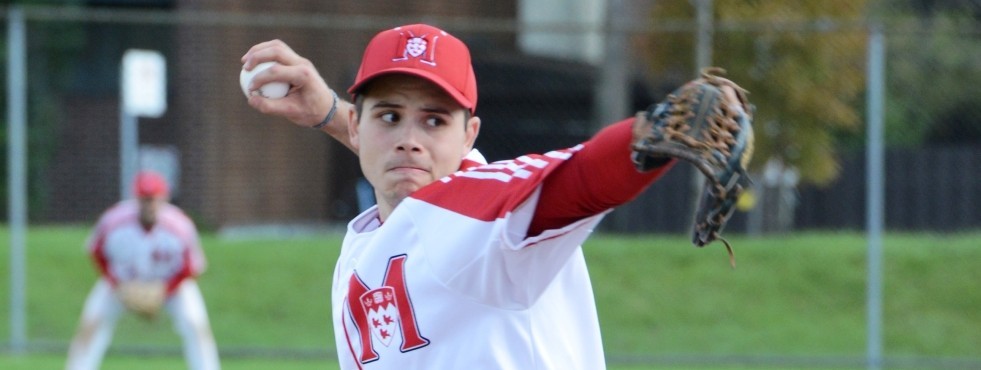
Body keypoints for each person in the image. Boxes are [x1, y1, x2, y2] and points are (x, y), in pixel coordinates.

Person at [241, 24, 676, 369]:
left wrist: (654, 136)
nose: (409, 140)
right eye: (389, 115)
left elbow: (577, 181)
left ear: (468, 136)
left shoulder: (487, 216)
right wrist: (330, 114)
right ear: (357, 126)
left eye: (434, 121)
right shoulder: (379, 228)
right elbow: (411, 170)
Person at [66, 171, 220, 370]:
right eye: (145, 199)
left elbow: (192, 267)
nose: (149, 204)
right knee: (91, 323)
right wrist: (117, 284)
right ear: (136, 198)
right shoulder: (114, 220)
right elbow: (96, 252)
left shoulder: (180, 225)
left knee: (196, 324)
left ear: (164, 198)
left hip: (170, 284)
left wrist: (165, 290)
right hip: (121, 282)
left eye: (154, 199)